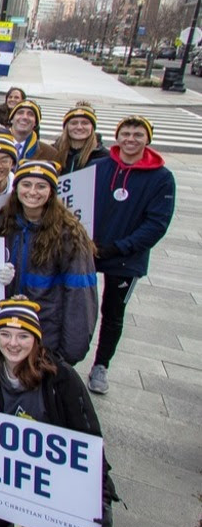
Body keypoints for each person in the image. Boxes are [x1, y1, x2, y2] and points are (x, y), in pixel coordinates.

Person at [0, 297, 117, 527]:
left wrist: (103, 497)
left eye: (23, 336)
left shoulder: (61, 378)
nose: (13, 343)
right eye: (5, 334)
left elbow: (89, 439)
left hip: (52, 473)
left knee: (70, 518)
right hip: (8, 468)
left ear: (36, 339)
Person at [87, 116, 176, 394]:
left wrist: (121, 247)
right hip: (88, 251)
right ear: (117, 137)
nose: (131, 139)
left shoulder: (161, 178)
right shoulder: (98, 167)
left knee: (113, 312)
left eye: (138, 134)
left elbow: (156, 225)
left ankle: (101, 365)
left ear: (147, 139)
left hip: (125, 258)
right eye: (126, 133)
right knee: (78, 305)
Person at [0, 160, 98, 366]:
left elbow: (80, 297)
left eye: (41, 186)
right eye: (26, 184)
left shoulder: (69, 234)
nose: (33, 192)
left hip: (47, 336)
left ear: (51, 192)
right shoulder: (3, 222)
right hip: (8, 333)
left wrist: (69, 353)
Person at [53, 103, 107, 174]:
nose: (79, 127)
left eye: (85, 123)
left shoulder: (104, 156)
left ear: (92, 127)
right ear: (66, 127)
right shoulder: (53, 151)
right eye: (74, 123)